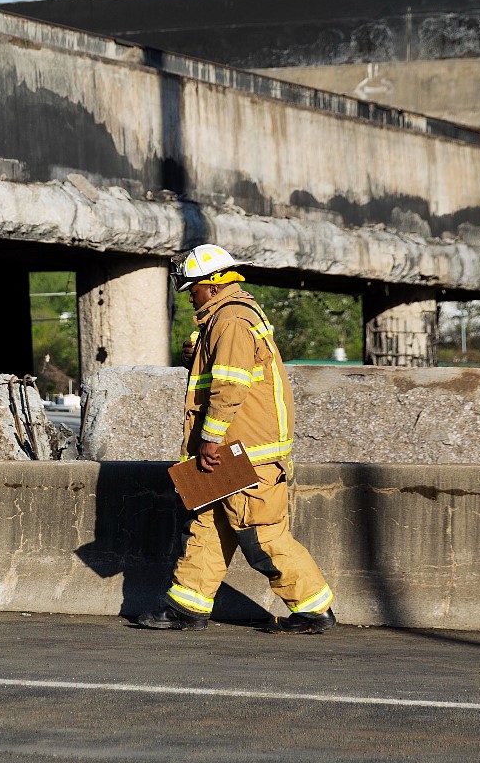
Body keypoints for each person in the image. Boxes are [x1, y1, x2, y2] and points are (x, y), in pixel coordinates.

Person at [136, 243, 336, 634]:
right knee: (207, 526)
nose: (190, 296)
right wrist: (196, 354)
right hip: (231, 453)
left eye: (192, 288)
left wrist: (210, 438)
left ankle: (314, 608)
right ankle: (187, 609)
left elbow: (230, 386)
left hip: (244, 454)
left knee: (261, 533)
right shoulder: (224, 320)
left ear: (212, 286)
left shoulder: (229, 320)